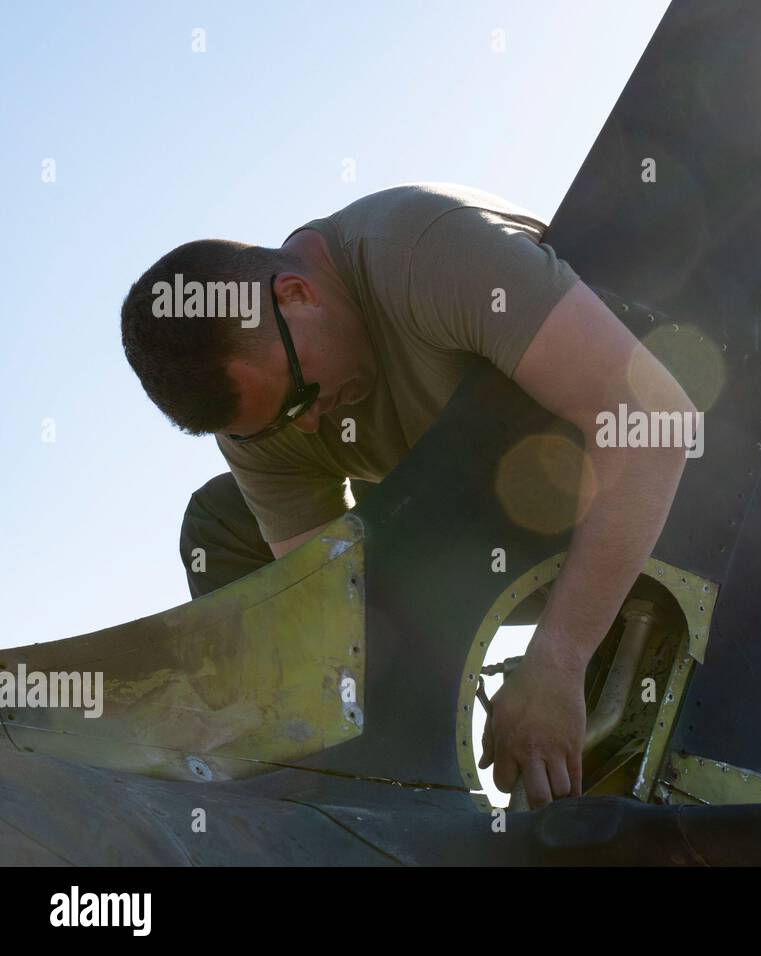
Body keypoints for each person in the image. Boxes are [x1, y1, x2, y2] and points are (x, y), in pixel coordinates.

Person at [119, 182, 696, 807]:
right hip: (452, 542)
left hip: (615, 504)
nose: (307, 427)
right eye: (272, 427)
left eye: (299, 398)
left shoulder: (426, 250)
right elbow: (336, 613)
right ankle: (334, 796)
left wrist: (556, 662)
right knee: (223, 519)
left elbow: (656, 424)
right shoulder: (263, 422)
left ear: (297, 294)